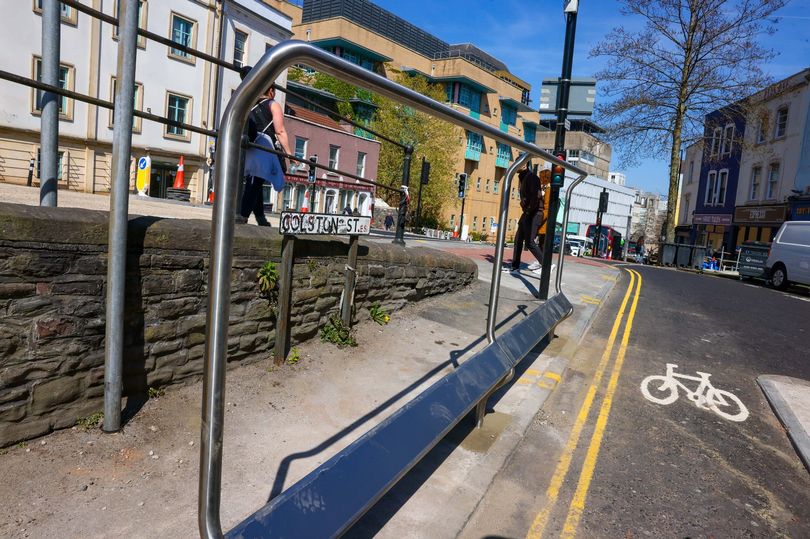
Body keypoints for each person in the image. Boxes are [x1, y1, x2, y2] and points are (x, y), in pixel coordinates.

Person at [238, 65, 291, 227]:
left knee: (256, 179)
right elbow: (280, 131)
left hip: (249, 145)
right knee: (256, 181)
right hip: (264, 147)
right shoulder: (272, 104)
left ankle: (260, 217)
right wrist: (289, 153)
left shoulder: (247, 103)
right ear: (271, 91)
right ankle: (242, 215)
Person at [503, 164, 553, 275]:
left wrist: (529, 211)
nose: (515, 166)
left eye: (518, 163)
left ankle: (547, 265)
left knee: (530, 242)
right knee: (518, 239)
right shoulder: (523, 177)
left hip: (533, 213)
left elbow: (536, 197)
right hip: (528, 212)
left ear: (524, 165)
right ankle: (515, 267)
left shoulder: (532, 178)